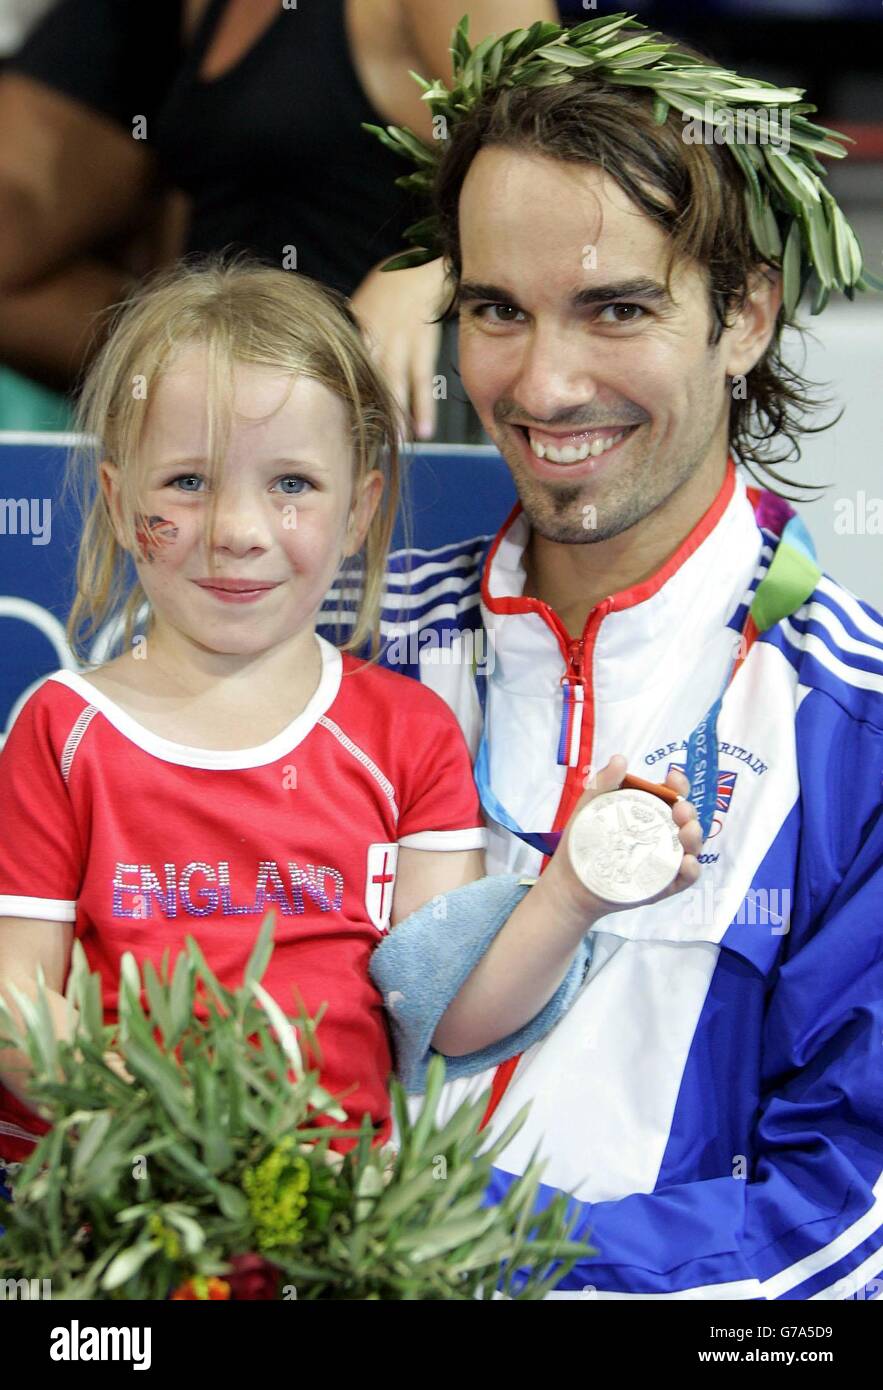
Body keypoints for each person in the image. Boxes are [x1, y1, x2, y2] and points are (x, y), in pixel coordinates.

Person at [343, 15, 883, 1298]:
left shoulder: (854, 729)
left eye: (615, 308)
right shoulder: (334, 656)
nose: (545, 382)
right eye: (496, 310)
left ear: (744, 314)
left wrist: (456, 1269)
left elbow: (846, 1215)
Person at [0, 258, 701, 1187]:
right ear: (121, 505)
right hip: (116, 1217)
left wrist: (570, 893)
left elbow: (446, 1016)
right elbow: (18, 1002)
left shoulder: (406, 734)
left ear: (359, 509)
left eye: (292, 483)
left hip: (341, 1231)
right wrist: (163, 1123)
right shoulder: (61, 730)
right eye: (187, 482)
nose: (238, 528)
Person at [0, 0, 555, 439]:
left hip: (377, 431)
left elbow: (568, 158)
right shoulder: (202, 10)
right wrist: (176, 358)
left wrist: (439, 268)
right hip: (234, 436)